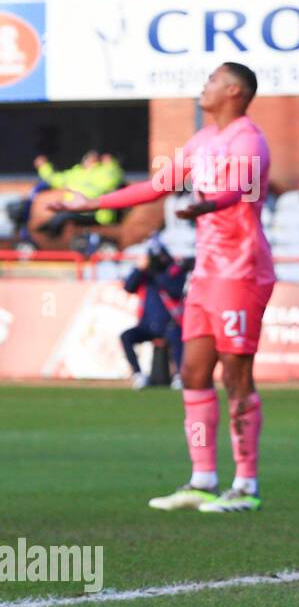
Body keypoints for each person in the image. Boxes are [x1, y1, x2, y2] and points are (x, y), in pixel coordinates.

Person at [51, 63, 275, 514]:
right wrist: (92, 204)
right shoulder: (201, 142)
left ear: (234, 90)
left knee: (236, 377)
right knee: (193, 372)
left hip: (241, 273)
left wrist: (206, 204)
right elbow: (156, 187)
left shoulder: (248, 139)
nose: (203, 86)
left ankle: (246, 485)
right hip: (208, 275)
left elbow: (239, 192)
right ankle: (203, 479)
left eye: (211, 80)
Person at [121, 237, 189, 390]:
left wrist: (157, 275)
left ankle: (179, 375)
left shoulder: (173, 271)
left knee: (176, 335)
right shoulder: (144, 274)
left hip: (170, 324)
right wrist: (140, 269)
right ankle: (138, 375)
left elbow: (176, 292)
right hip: (147, 326)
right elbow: (129, 287)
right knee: (126, 336)